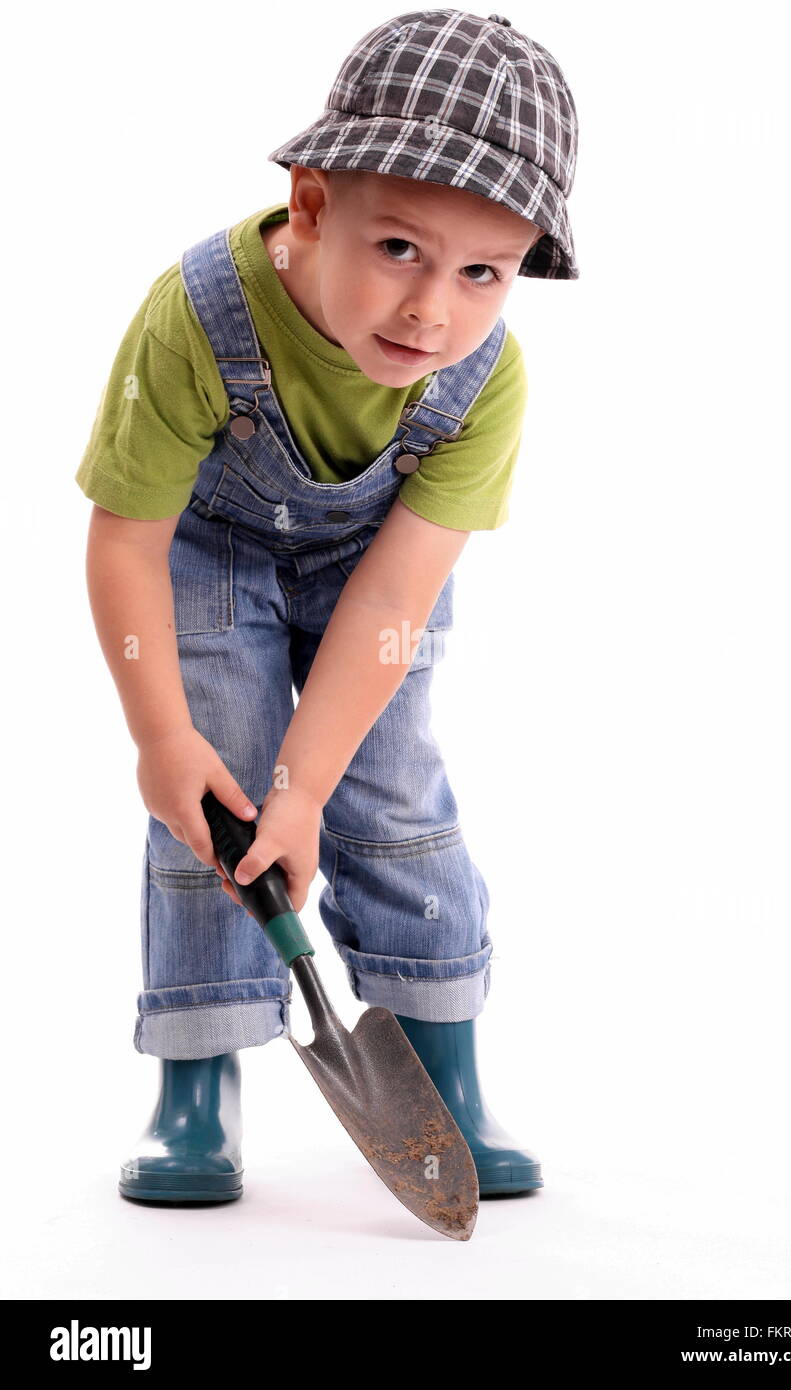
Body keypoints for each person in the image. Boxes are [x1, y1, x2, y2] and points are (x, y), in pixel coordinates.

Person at [76, 9, 579, 1206]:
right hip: (202, 555)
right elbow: (125, 542)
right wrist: (162, 737)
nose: (433, 311)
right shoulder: (195, 317)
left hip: (368, 576)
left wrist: (315, 792)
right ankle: (195, 1081)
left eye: (482, 273)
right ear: (310, 203)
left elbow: (398, 591)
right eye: (399, 247)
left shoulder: (483, 380)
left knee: (394, 786)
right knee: (220, 799)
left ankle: (439, 1058)